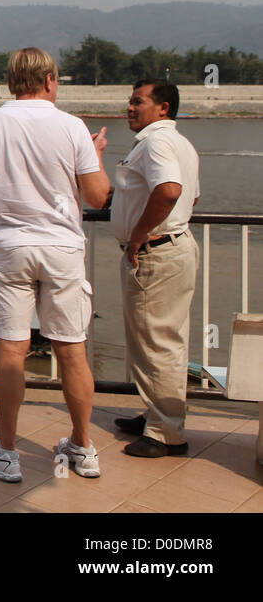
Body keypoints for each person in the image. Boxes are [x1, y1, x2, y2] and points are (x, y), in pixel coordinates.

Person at [0, 47, 111, 482]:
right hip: (63, 249)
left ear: (11, 81)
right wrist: (95, 153)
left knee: (11, 349)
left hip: (8, 246)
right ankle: (82, 446)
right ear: (49, 80)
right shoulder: (73, 127)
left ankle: (6, 452)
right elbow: (98, 197)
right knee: (72, 349)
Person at [110, 79, 200, 458]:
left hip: (155, 253)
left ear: (163, 108)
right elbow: (191, 195)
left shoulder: (157, 142)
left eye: (137, 102)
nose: (130, 108)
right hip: (170, 248)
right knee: (155, 341)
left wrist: (140, 234)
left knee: (158, 344)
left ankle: (165, 432)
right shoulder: (180, 142)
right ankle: (157, 414)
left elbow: (170, 190)